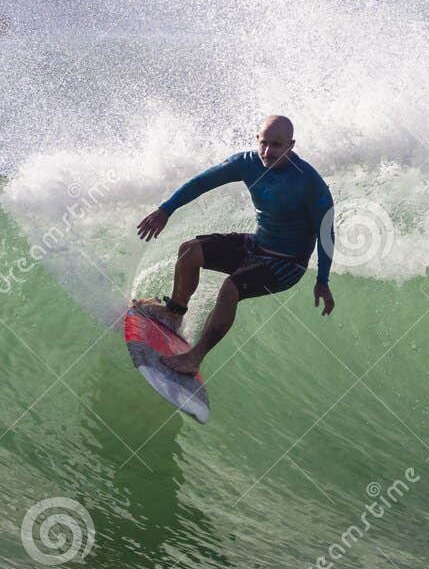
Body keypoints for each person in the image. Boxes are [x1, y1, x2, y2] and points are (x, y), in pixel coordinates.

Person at [133, 116, 335, 376]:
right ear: (256, 140)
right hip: (257, 245)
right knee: (189, 251)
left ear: (291, 145)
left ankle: (194, 358)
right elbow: (201, 182)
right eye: (264, 143)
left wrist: (323, 280)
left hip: (286, 264)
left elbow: (326, 231)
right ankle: (174, 313)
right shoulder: (246, 163)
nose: (267, 151)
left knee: (231, 287)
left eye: (276, 145)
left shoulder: (309, 182)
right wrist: (165, 210)